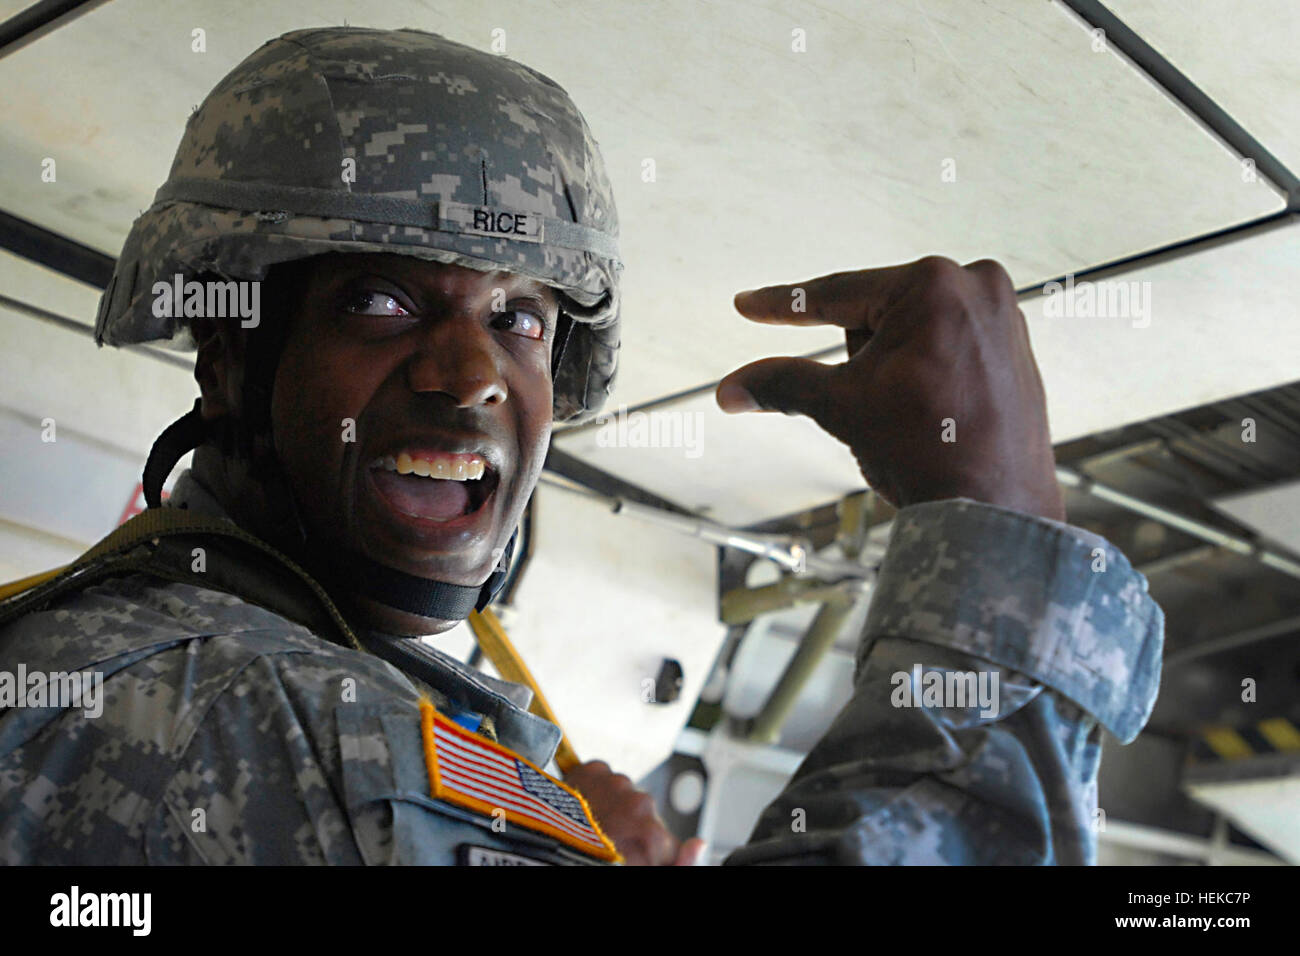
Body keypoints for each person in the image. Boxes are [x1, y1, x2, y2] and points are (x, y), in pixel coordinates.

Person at [0, 26, 1163, 866]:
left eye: (517, 317)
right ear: (230, 353)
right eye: (378, 301)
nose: (468, 376)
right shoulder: (229, 706)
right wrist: (994, 521)